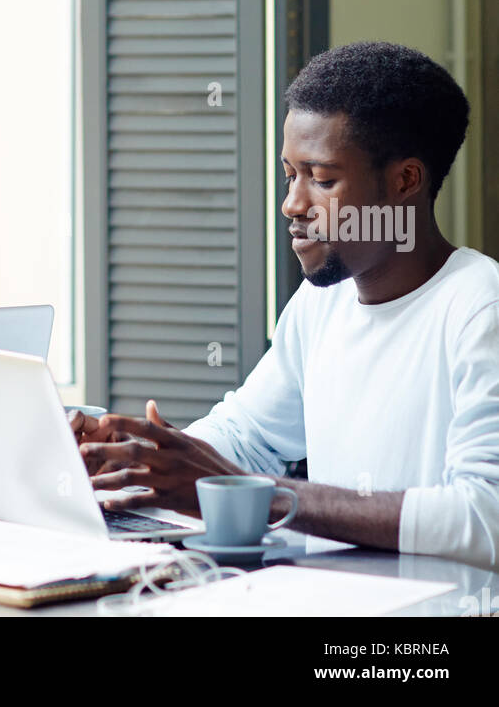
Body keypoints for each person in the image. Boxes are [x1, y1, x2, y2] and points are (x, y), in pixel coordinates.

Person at [72, 41, 499, 571]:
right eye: (290, 175)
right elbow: (245, 438)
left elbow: (485, 517)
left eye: (322, 179)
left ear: (404, 181)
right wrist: (136, 456)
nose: (292, 204)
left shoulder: (480, 309)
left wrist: (267, 496)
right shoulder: (322, 304)